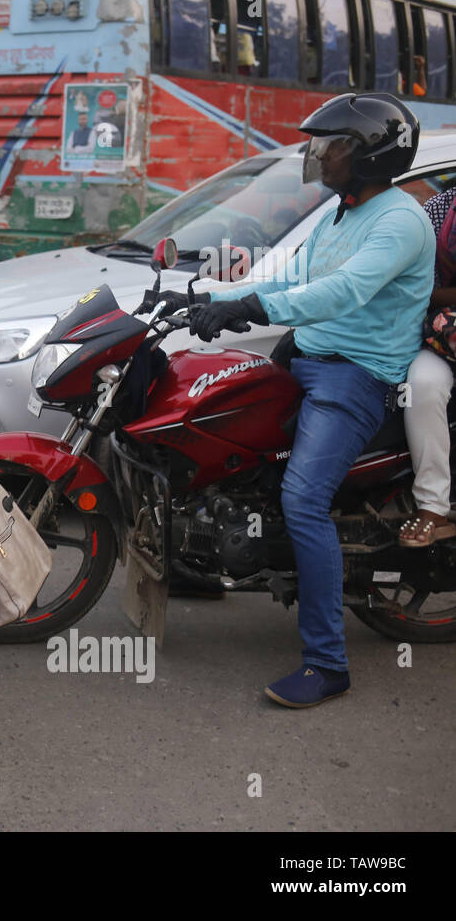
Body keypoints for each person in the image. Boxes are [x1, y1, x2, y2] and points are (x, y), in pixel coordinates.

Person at [179, 93, 435, 707]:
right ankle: (198, 562)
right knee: (214, 430)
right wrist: (202, 295)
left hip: (355, 376)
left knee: (303, 496)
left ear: (372, 155)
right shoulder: (343, 211)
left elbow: (342, 292)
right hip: (305, 357)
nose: (321, 155)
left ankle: (328, 662)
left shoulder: (400, 220)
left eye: (334, 144)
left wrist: (248, 309)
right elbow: (289, 275)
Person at [398, 185, 456, 546]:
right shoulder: (440, 208)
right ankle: (433, 507)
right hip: (440, 334)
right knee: (421, 385)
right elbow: (418, 284)